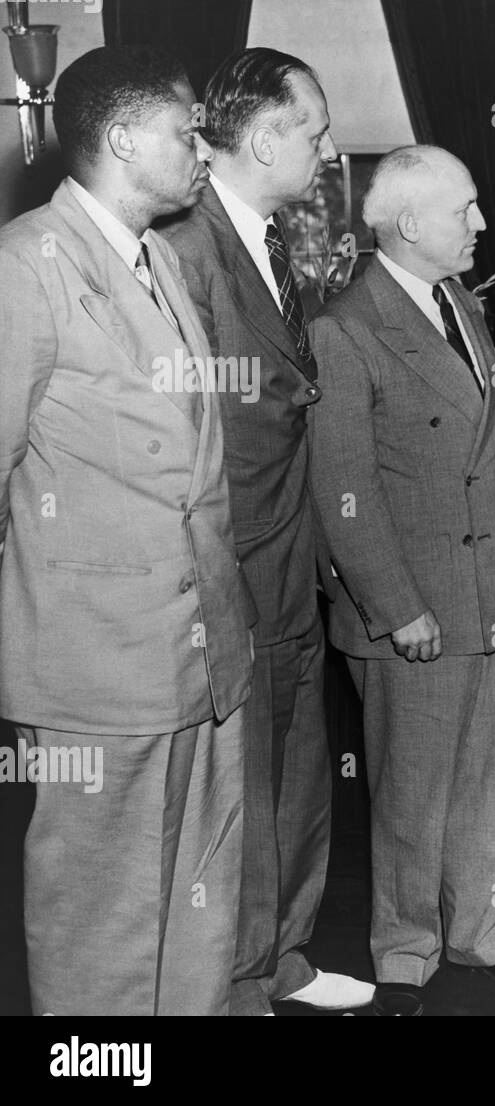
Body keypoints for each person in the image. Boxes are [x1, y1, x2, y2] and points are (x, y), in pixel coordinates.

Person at [0, 46, 254, 1014]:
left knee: (197, 901)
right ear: (121, 137)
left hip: (198, 649)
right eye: (188, 131)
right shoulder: (27, 262)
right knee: (98, 918)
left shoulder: (157, 260)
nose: (204, 149)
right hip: (96, 662)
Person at [310, 146, 495, 1017]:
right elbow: (343, 491)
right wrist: (397, 607)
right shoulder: (345, 328)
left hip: (489, 590)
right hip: (413, 604)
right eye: (468, 209)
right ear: (410, 224)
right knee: (412, 792)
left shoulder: (459, 302)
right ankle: (405, 956)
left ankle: (485, 933)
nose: (483, 224)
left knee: (494, 780)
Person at [162, 47, 370, 1017]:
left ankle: (281, 956)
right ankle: (233, 980)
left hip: (287, 557)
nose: (327, 150)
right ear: (262, 137)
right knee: (235, 790)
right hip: (225, 564)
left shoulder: (270, 238)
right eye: (316, 130)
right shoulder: (183, 248)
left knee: (294, 772)